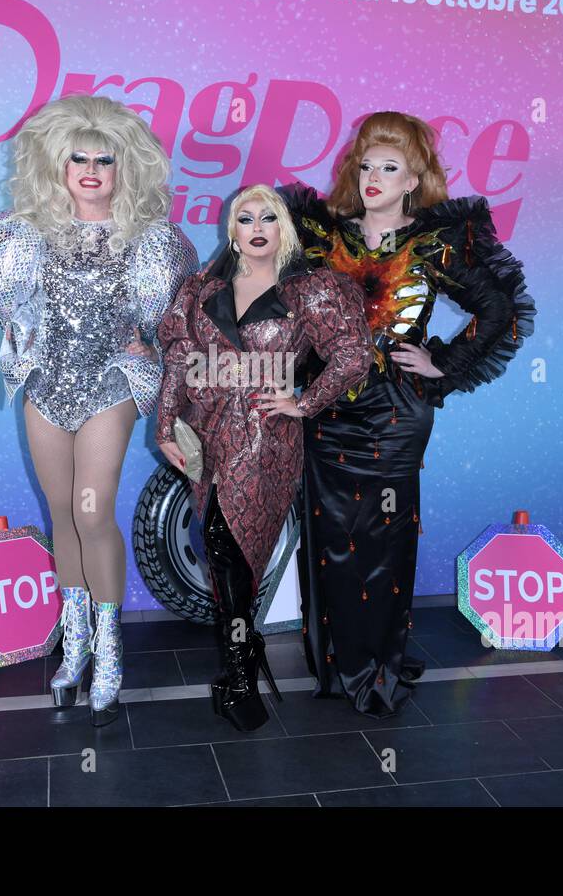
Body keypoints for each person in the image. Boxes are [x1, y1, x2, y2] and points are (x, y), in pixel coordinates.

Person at [0, 94, 197, 726]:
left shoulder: (153, 240)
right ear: (55, 165)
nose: (89, 170)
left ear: (124, 168)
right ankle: (75, 638)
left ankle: (110, 654)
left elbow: (185, 319)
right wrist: (16, 320)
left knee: (93, 510)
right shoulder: (22, 232)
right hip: (46, 387)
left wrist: (153, 340)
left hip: (111, 384)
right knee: (63, 514)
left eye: (103, 159)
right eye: (77, 158)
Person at [277, 110, 536, 718]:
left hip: (395, 412)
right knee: (329, 538)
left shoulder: (434, 242)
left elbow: (500, 312)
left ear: (414, 178)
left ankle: (378, 668)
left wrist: (442, 361)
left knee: (384, 541)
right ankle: (340, 665)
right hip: (328, 407)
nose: (373, 176)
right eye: (366, 163)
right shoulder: (324, 237)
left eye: (389, 167)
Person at [155, 184, 372, 731]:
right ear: (232, 229)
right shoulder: (202, 289)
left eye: (268, 217)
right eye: (245, 217)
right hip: (205, 436)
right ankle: (243, 653)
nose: (256, 227)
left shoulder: (308, 291)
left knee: (232, 547)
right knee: (218, 545)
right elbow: (181, 358)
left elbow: (352, 354)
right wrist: (164, 426)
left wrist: (304, 402)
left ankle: (236, 673)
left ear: (284, 229)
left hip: (265, 439)